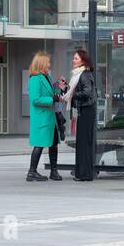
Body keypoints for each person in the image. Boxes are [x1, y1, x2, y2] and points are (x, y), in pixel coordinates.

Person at [26, 52, 62, 182]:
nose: (49, 65)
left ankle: (54, 171)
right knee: (39, 144)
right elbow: (35, 100)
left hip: (49, 118)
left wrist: (59, 89)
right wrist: (52, 98)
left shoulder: (45, 77)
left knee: (53, 144)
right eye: (48, 63)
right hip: (42, 118)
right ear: (41, 64)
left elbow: (51, 94)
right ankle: (32, 172)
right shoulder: (35, 79)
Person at [64, 49, 98, 181]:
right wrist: (67, 90)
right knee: (82, 143)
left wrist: (72, 94)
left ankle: (85, 174)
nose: (73, 60)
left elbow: (87, 93)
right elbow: (81, 91)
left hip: (87, 110)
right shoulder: (80, 74)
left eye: (76, 58)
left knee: (84, 143)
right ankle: (82, 173)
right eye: (73, 58)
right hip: (84, 110)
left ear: (83, 61)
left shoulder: (84, 74)